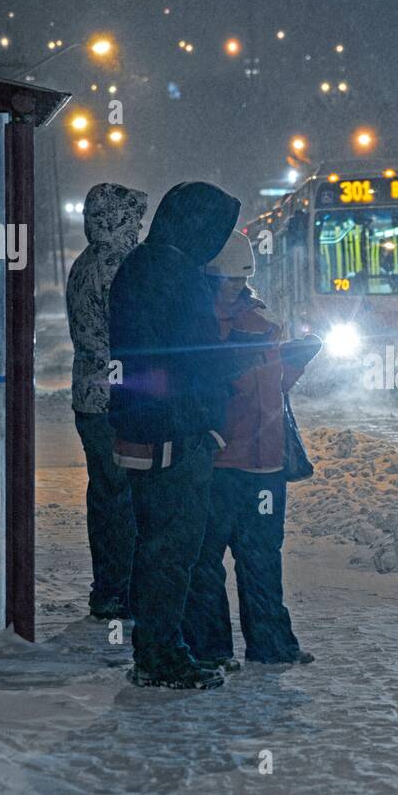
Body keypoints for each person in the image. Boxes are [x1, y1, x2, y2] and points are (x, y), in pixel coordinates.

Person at [109, 182, 244, 689]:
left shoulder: (141, 267)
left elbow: (138, 361)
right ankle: (160, 656)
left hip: (149, 428)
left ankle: (162, 649)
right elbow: (186, 359)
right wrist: (202, 417)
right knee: (172, 550)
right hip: (173, 436)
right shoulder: (173, 275)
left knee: (158, 546)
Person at [183, 233, 319, 667]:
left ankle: (272, 646)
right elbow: (210, 393)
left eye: (241, 281)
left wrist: (295, 361)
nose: (235, 289)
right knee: (208, 563)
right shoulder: (200, 328)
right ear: (208, 278)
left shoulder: (262, 323)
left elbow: (270, 390)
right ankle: (212, 651)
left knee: (261, 556)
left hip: (265, 465)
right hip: (222, 463)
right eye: (227, 281)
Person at [65, 183, 148, 619]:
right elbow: (131, 336)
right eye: (133, 220)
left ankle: (108, 588)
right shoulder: (118, 266)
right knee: (123, 498)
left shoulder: (84, 263)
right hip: (115, 399)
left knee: (105, 494)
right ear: (118, 220)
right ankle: (119, 592)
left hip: (89, 396)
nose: (138, 228)